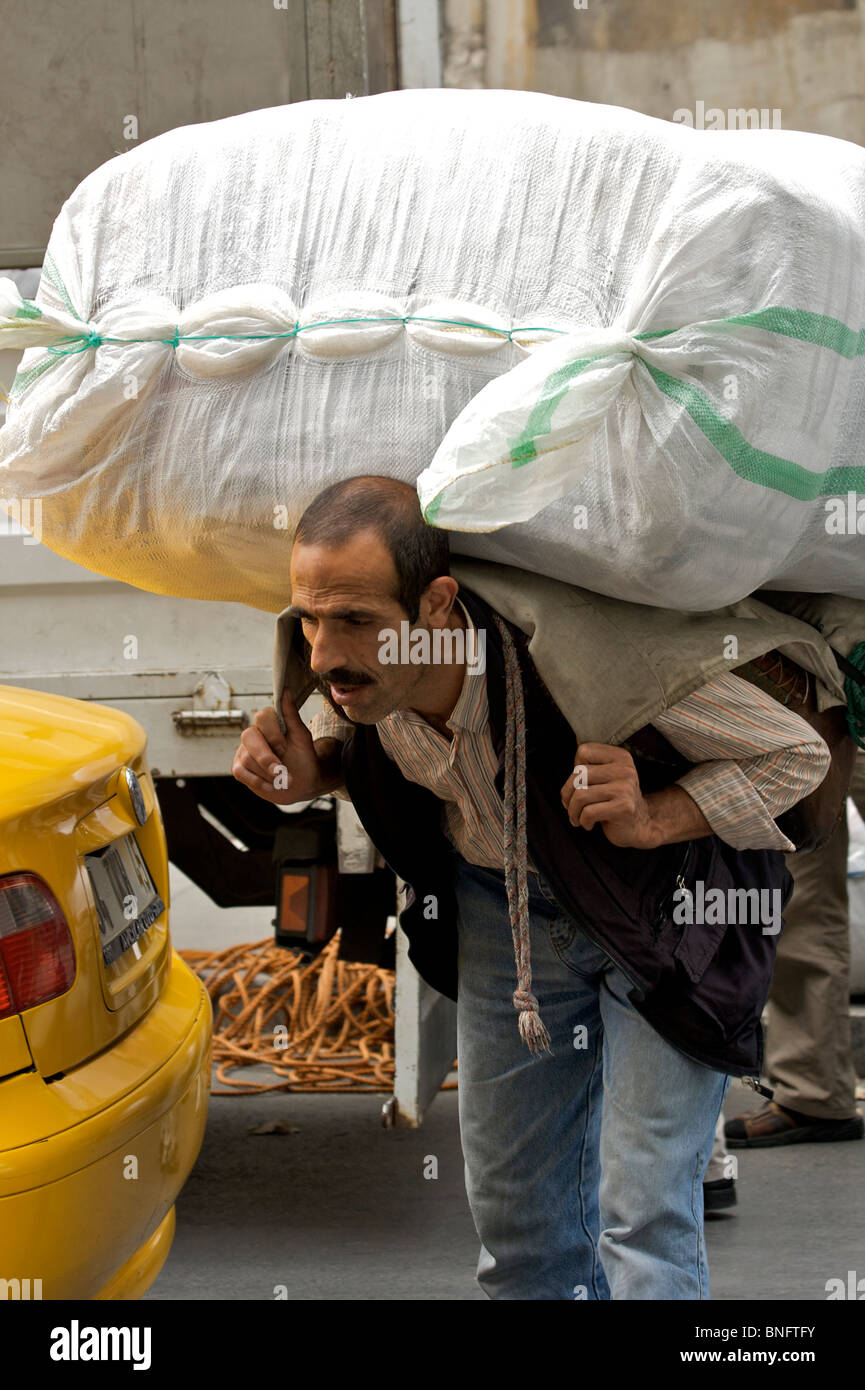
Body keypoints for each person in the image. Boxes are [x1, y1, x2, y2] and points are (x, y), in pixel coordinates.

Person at [232, 475, 832, 1301]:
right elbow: (358, 753)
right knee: (519, 1235)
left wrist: (657, 813)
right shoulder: (365, 688)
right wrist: (313, 772)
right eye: (310, 619)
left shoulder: (592, 665)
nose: (326, 653)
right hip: (502, 924)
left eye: (358, 622)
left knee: (644, 1222)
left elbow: (797, 758)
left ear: (438, 606)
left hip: (658, 918)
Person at [724, 751, 865, 1148]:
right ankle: (814, 1091)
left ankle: (813, 1091)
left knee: (804, 898)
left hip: (826, 706)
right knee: (804, 901)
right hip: (816, 707)